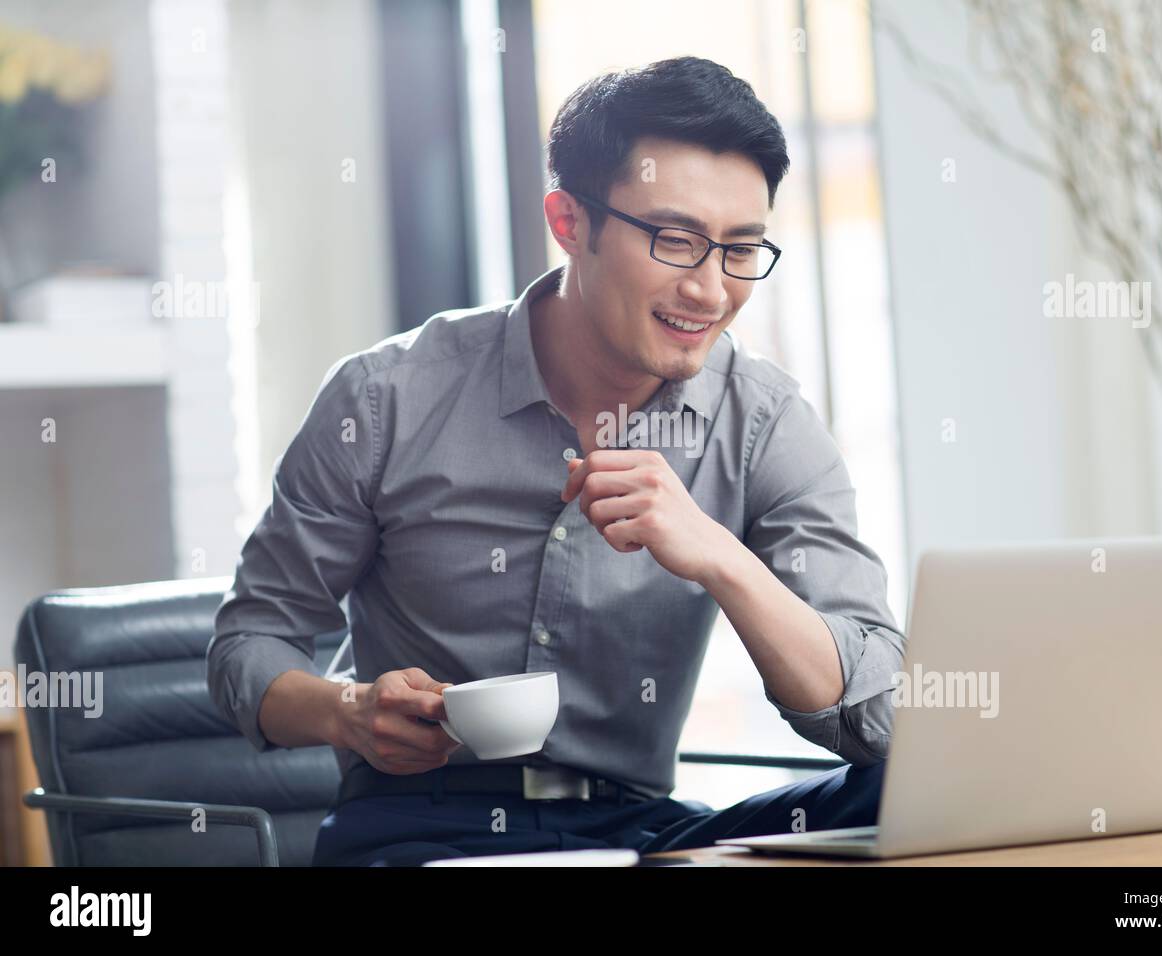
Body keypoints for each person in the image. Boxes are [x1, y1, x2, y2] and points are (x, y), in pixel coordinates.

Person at [206, 55, 905, 867]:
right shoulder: (386, 398)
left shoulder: (763, 420)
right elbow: (248, 646)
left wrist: (720, 554)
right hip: (416, 830)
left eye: (739, 249)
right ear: (570, 221)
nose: (711, 291)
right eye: (676, 241)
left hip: (641, 833)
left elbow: (877, 716)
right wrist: (348, 711)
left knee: (904, 794)